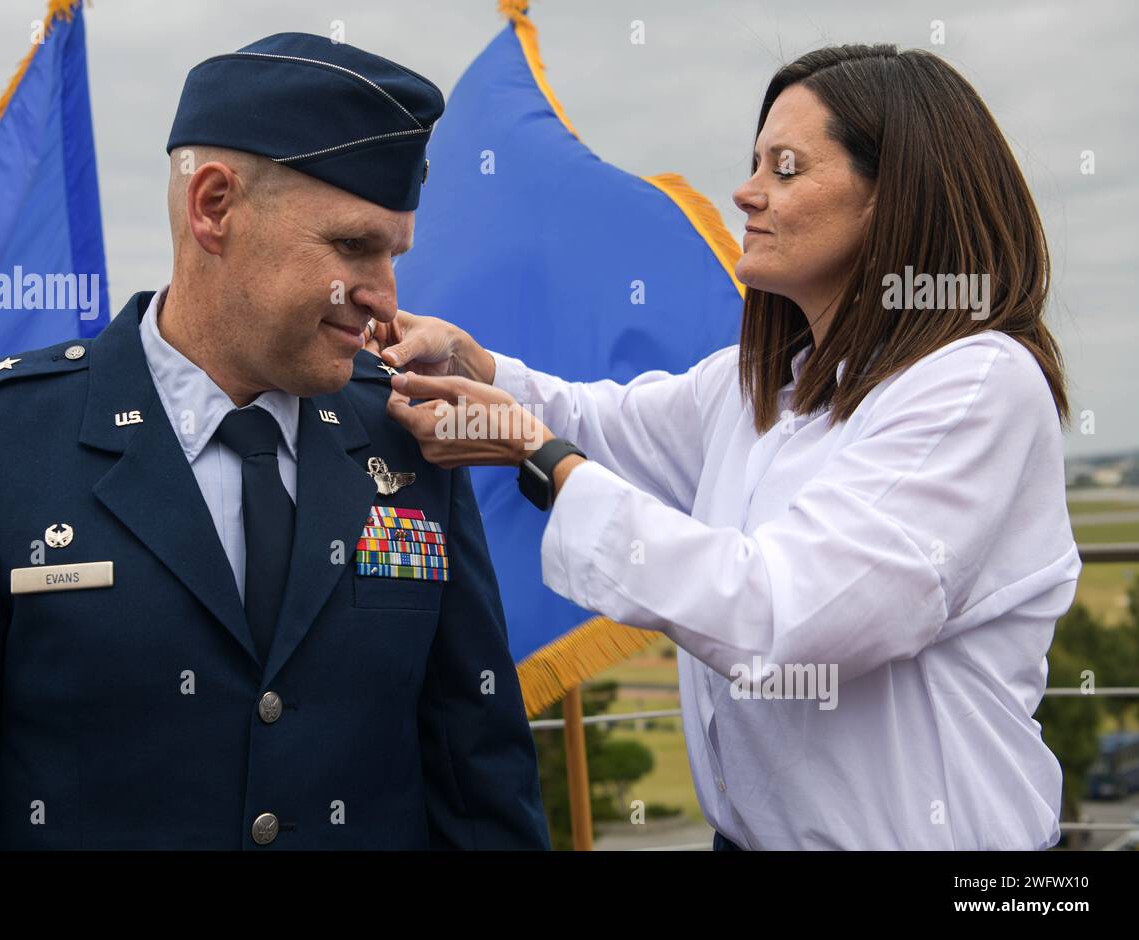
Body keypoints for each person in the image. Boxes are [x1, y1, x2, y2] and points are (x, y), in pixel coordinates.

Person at [0, 32, 548, 851]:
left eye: (394, 253)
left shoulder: (407, 435)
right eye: (353, 247)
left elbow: (479, 779)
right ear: (213, 206)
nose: (386, 299)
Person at [376, 44, 1081, 850]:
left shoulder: (977, 384)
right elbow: (602, 422)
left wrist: (539, 458)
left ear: (893, 199)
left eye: (786, 168)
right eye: (755, 165)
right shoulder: (763, 384)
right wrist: (475, 363)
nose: (746, 192)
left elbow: (785, 619)